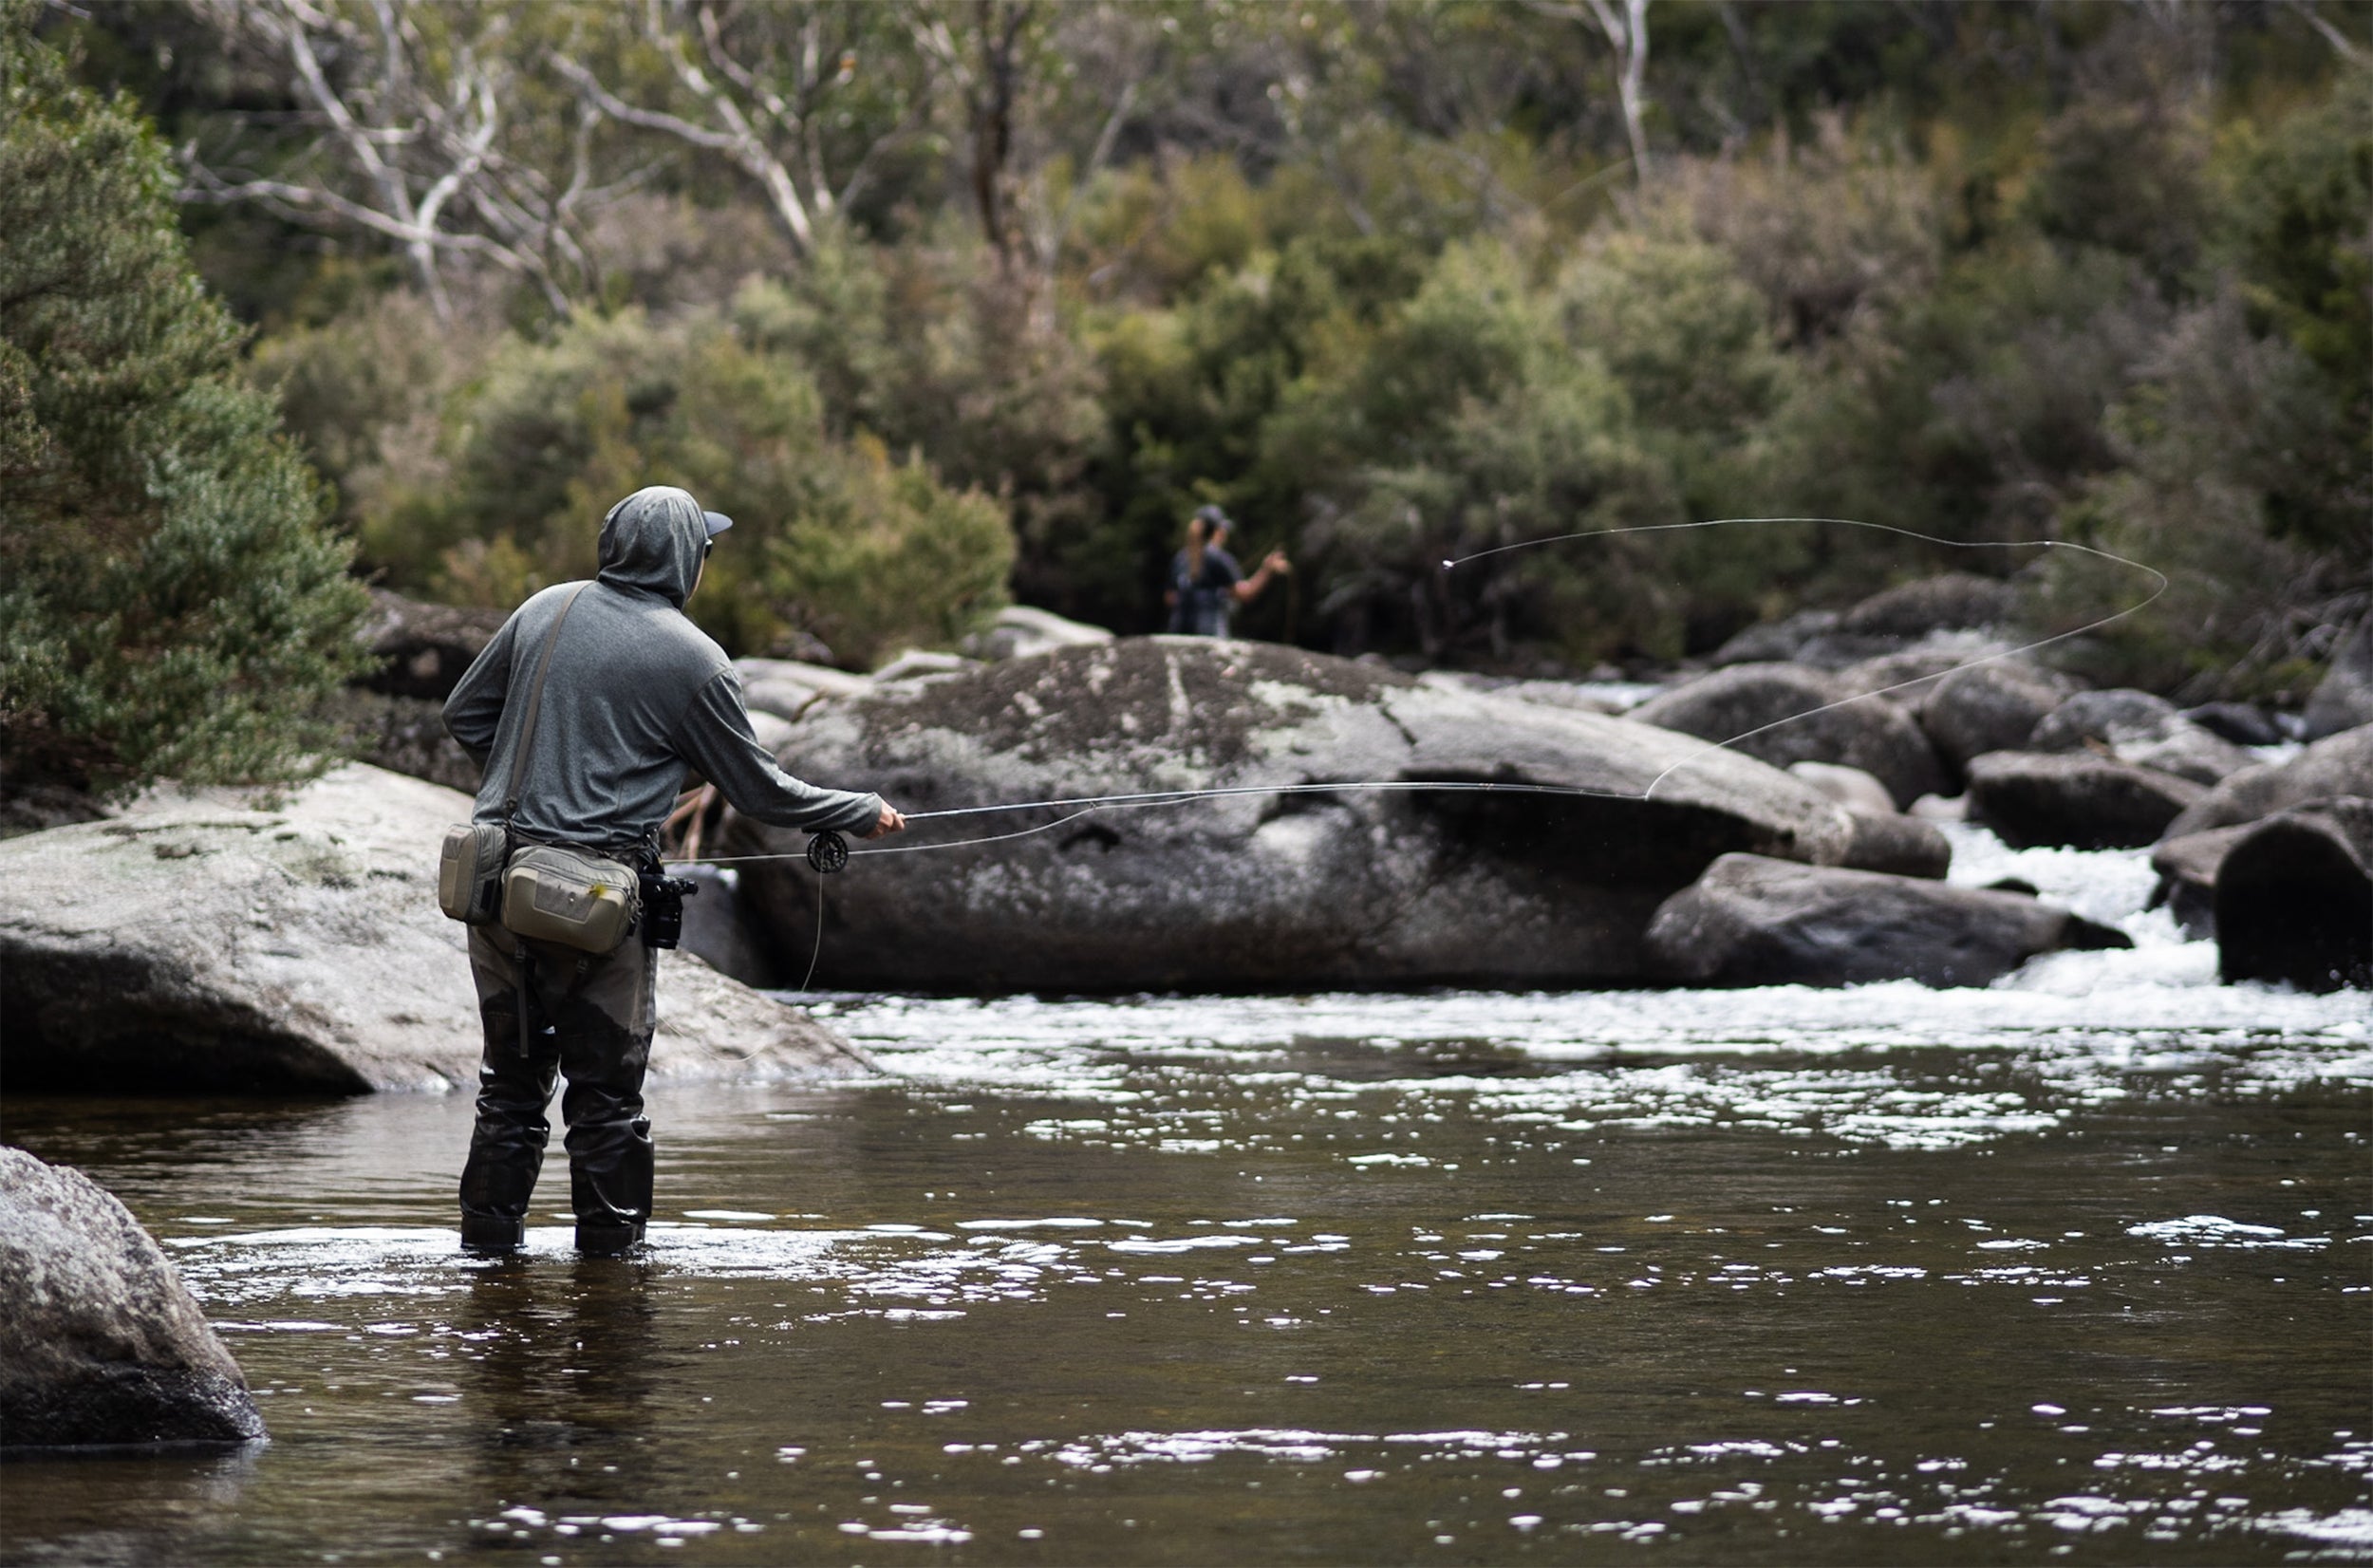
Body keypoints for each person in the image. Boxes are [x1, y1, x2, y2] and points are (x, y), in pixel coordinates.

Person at [441, 485, 905, 1257]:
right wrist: (856, 809)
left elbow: (464, 715)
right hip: (592, 903)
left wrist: (537, 790)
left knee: (510, 1092)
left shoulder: (544, 607)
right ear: (688, 559)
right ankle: (613, 1285)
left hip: (492, 885)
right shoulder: (694, 659)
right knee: (606, 1105)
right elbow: (760, 791)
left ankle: (487, 1271)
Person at [1165, 503, 1288, 637]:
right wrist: (1267, 568)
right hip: (1209, 630)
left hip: (1179, 629)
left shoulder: (1181, 558)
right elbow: (1245, 593)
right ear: (1218, 531)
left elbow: (1170, 597)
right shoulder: (1218, 558)